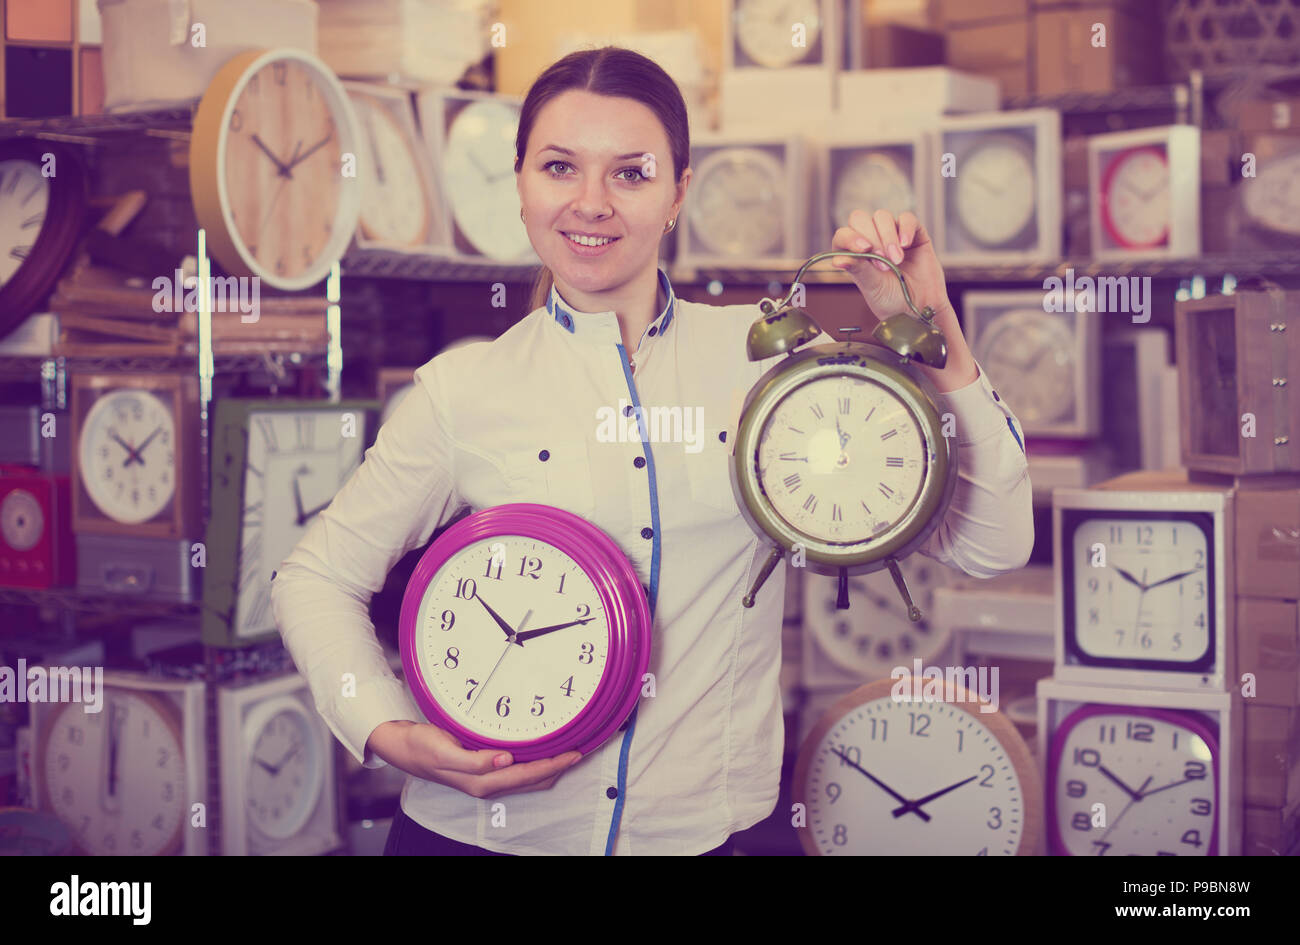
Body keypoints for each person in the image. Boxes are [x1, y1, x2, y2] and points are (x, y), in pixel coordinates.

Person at [270, 46, 1034, 856]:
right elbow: (314, 577)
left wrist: (931, 318)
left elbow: (992, 544)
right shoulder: (461, 391)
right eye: (559, 167)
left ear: (678, 193)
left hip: (704, 836)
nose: (590, 203)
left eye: (631, 173)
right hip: (480, 838)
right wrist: (384, 728)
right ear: (521, 184)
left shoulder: (771, 370)